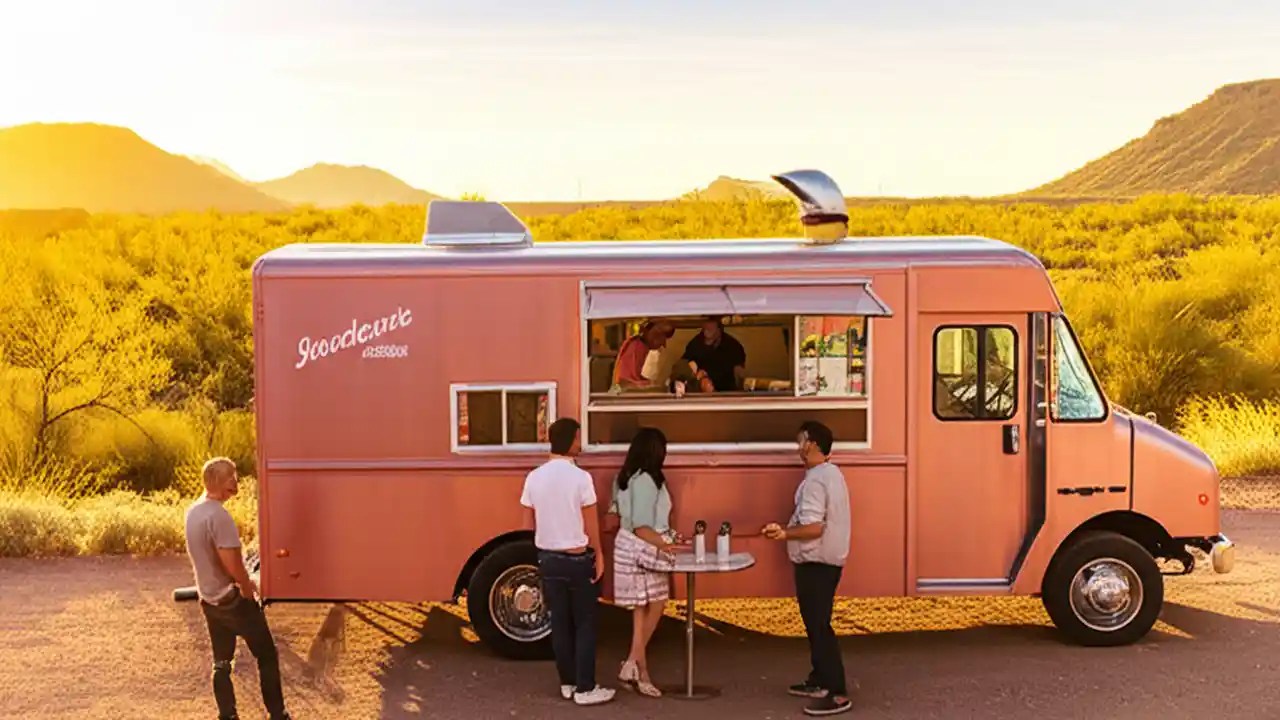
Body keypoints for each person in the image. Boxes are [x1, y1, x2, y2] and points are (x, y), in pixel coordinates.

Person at [184, 457, 291, 720]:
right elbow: (231, 562)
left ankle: (227, 715)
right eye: (232, 477)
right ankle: (278, 715)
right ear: (219, 482)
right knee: (266, 654)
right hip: (232, 600)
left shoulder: (194, 511)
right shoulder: (219, 517)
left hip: (209, 600)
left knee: (222, 662)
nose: (236, 482)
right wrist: (247, 587)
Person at [521, 418, 616, 706]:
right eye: (578, 437)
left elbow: (527, 524)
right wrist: (599, 555)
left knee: (559, 623)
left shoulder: (534, 477)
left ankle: (567, 682)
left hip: (548, 559)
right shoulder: (581, 478)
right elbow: (590, 523)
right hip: (577, 559)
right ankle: (586, 688)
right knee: (585, 623)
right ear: (570, 440)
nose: (581, 442)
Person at [761, 421, 853, 717]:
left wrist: (785, 533)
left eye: (801, 441)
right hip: (827, 561)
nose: (798, 447)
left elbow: (814, 527)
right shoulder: (832, 474)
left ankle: (837, 691)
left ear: (812, 444)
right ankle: (819, 679)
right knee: (817, 623)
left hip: (816, 562)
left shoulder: (815, 480)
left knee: (819, 626)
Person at [610, 427, 680, 698]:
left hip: (627, 545)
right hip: (644, 546)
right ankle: (638, 667)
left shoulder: (624, 478)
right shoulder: (648, 481)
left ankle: (633, 665)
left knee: (640, 609)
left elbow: (616, 512)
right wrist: (667, 543)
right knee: (657, 602)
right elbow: (642, 526)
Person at [680, 315, 747, 393]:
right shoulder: (694, 345)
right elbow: (687, 367)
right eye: (705, 321)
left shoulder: (733, 346)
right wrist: (697, 376)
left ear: (719, 326)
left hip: (727, 393)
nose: (706, 326)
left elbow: (739, 375)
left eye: (711, 322)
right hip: (701, 395)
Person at [612, 320, 675, 390]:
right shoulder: (636, 346)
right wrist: (650, 385)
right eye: (658, 335)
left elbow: (636, 377)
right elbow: (625, 382)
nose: (663, 343)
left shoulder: (642, 346)